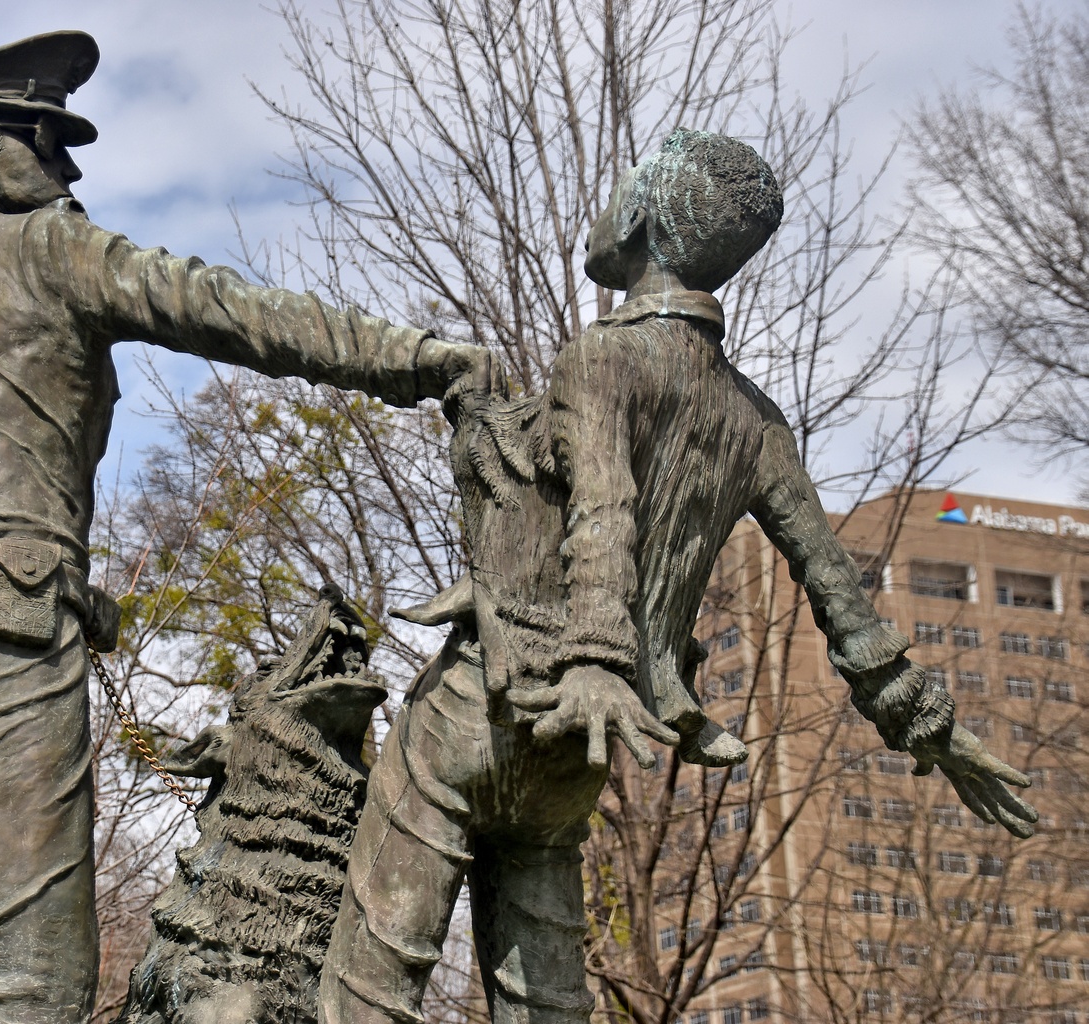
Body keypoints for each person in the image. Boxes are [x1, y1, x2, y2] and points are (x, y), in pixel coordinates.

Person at [0, 31, 493, 1024]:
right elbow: (230, 309)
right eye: (47, 141)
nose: (70, 171)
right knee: (29, 985)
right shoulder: (46, 250)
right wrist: (420, 359)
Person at [318, 129, 1037, 1024]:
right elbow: (841, 599)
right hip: (574, 756)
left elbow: (606, 509)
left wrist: (591, 656)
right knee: (547, 1008)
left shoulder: (602, 357)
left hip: (491, 709)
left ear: (642, 218)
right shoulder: (757, 421)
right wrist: (927, 726)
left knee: (368, 987)